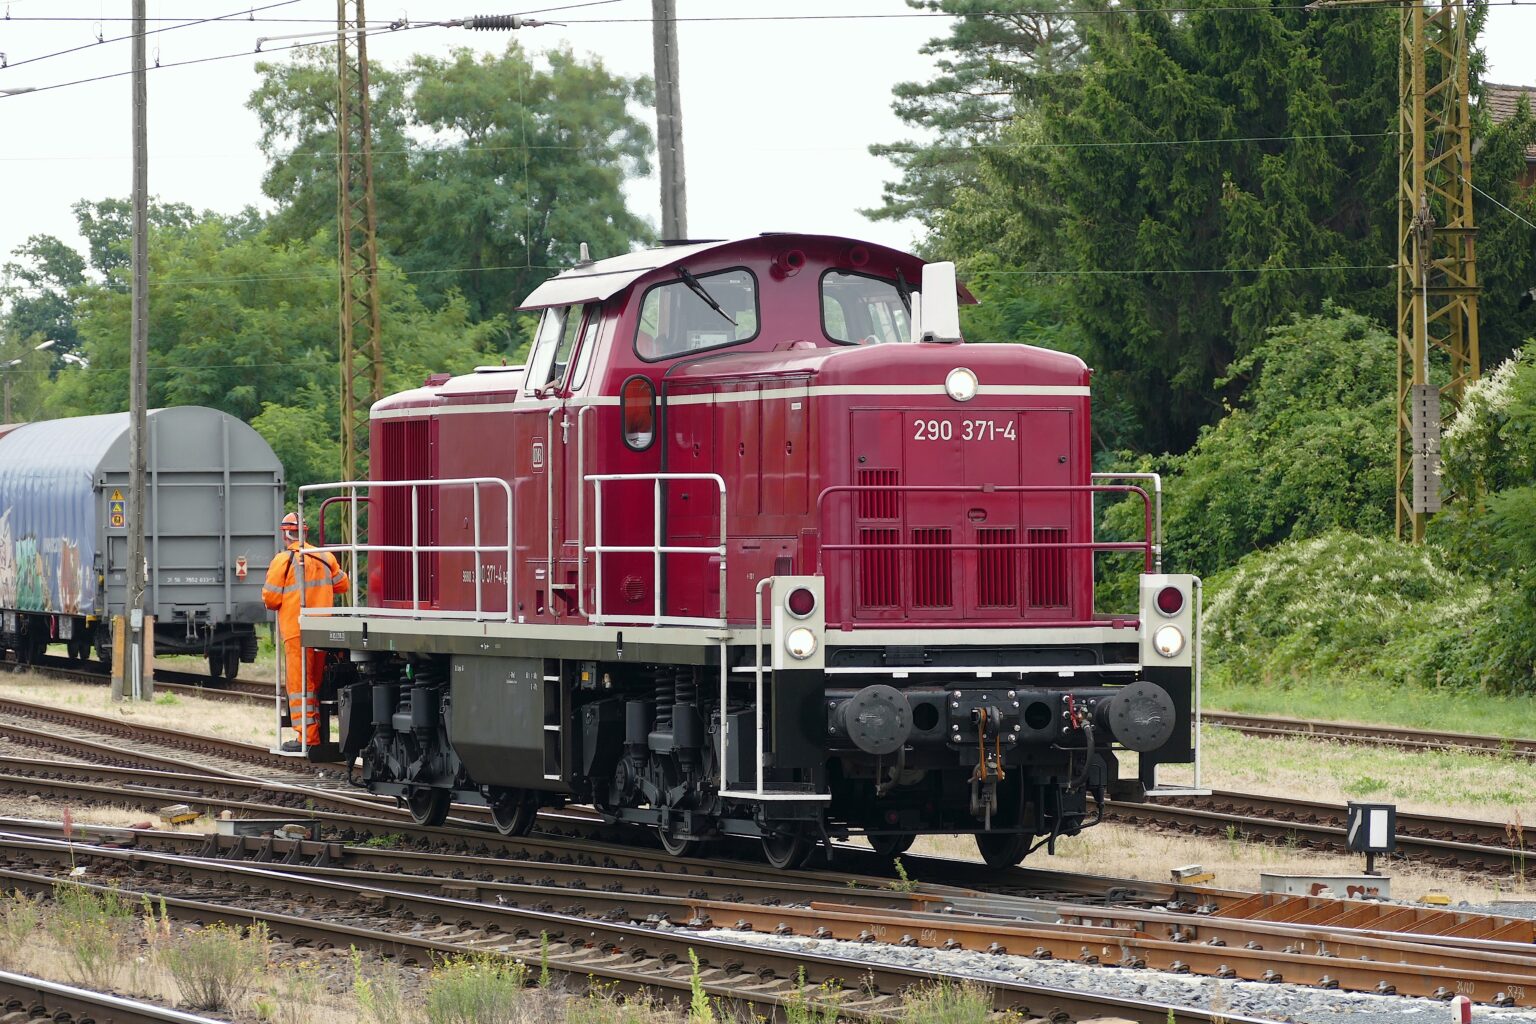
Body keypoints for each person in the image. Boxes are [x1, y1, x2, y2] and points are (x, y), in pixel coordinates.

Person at [262, 512, 349, 751]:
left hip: (296, 631)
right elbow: (343, 584)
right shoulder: (325, 556)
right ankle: (314, 734)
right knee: (316, 684)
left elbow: (270, 599)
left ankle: (308, 738)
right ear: (305, 532)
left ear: (285, 534)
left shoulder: (283, 560)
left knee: (301, 685)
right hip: (322, 631)